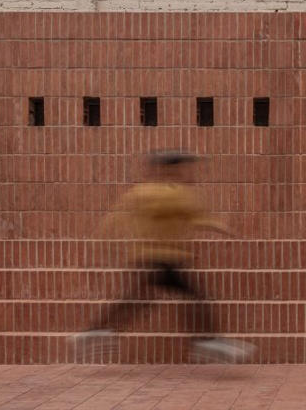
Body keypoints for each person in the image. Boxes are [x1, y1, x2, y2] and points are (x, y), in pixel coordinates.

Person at [71, 149, 255, 363]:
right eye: (183, 168)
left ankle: (97, 330)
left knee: (141, 299)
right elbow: (194, 215)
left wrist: (103, 242)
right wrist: (219, 226)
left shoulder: (143, 192)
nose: (188, 173)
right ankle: (207, 340)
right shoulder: (173, 193)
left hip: (152, 258)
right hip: (161, 259)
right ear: (171, 169)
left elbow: (116, 219)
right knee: (191, 297)